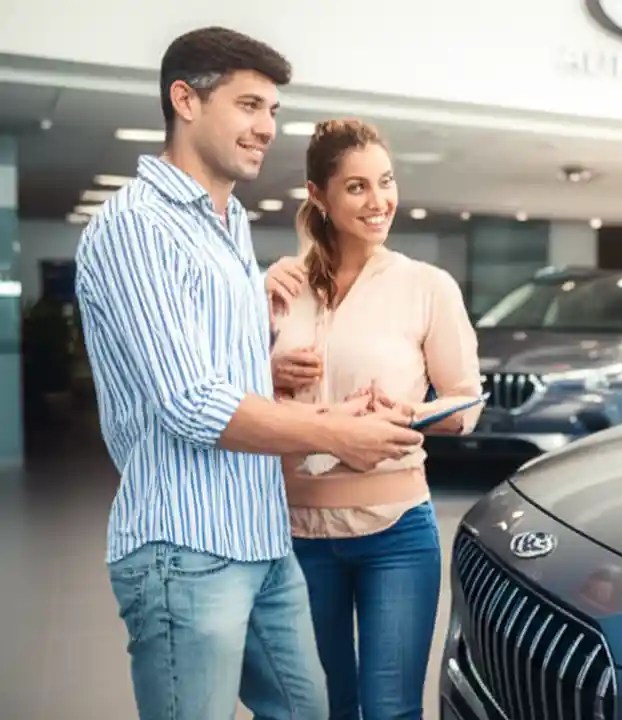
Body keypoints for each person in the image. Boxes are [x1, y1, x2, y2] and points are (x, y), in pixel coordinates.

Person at [73, 28, 424, 720]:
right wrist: (331, 432)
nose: (267, 127)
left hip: (262, 539)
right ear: (186, 100)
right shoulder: (138, 225)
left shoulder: (226, 223)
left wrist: (327, 405)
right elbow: (192, 404)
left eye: (272, 111)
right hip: (186, 548)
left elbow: (228, 381)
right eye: (249, 105)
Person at [264, 119, 483, 719]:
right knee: (320, 708)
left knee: (390, 711)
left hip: (396, 533)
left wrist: (411, 414)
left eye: (385, 182)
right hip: (296, 532)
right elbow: (235, 400)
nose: (379, 200)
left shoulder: (426, 286)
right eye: (356, 187)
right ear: (319, 197)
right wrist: (269, 371)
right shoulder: (280, 287)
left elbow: (466, 401)